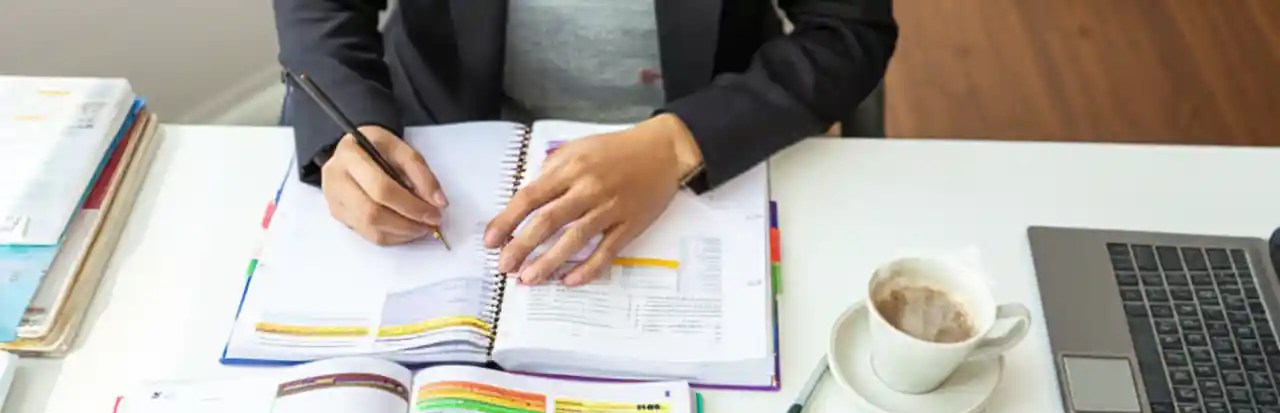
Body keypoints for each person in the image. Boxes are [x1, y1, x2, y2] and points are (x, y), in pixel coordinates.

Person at [274, 0, 897, 285]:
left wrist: (679, 143)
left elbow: (846, 30)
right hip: (454, 138)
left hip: (710, 138)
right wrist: (348, 131)